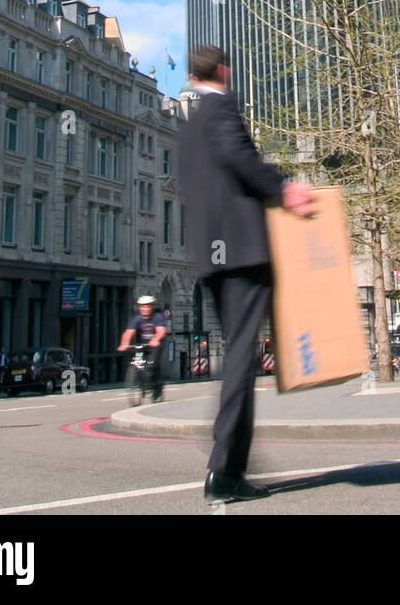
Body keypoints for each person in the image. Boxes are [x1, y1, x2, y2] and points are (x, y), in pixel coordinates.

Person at [178, 44, 315, 502]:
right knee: (240, 357)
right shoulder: (222, 109)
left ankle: (230, 467)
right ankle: (224, 472)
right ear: (222, 70)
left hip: (211, 255)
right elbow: (239, 158)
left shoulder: (189, 125)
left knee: (239, 353)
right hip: (240, 251)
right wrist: (284, 189)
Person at [118, 295, 168, 400]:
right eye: (142, 306)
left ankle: (156, 388)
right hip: (142, 345)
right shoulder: (137, 319)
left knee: (151, 366)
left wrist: (155, 339)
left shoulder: (157, 317)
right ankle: (142, 385)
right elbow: (128, 333)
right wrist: (124, 343)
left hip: (155, 345)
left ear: (151, 307)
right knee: (138, 364)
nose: (145, 309)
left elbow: (161, 332)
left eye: (147, 306)